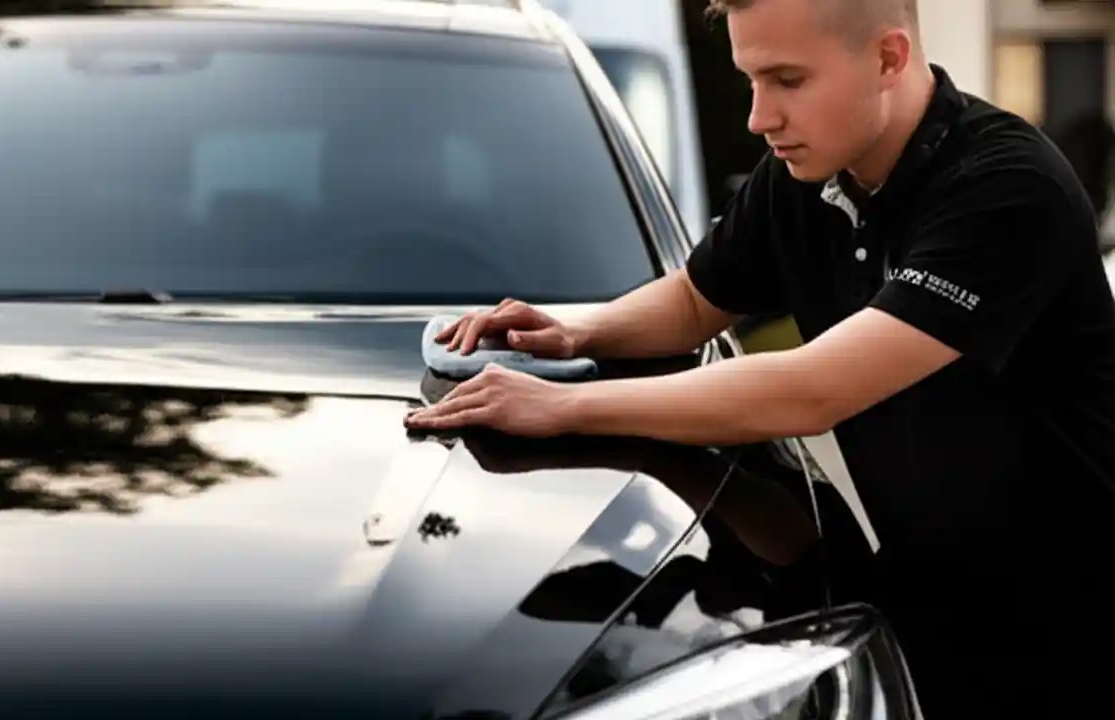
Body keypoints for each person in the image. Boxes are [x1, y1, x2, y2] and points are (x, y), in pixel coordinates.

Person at [405, 0, 1115, 716]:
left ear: (889, 58)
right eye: (750, 80)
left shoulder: (1006, 189)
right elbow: (693, 302)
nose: (757, 117)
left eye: (786, 80)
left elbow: (813, 391)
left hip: (1072, 638)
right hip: (925, 619)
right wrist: (575, 334)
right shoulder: (807, 179)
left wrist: (561, 407)